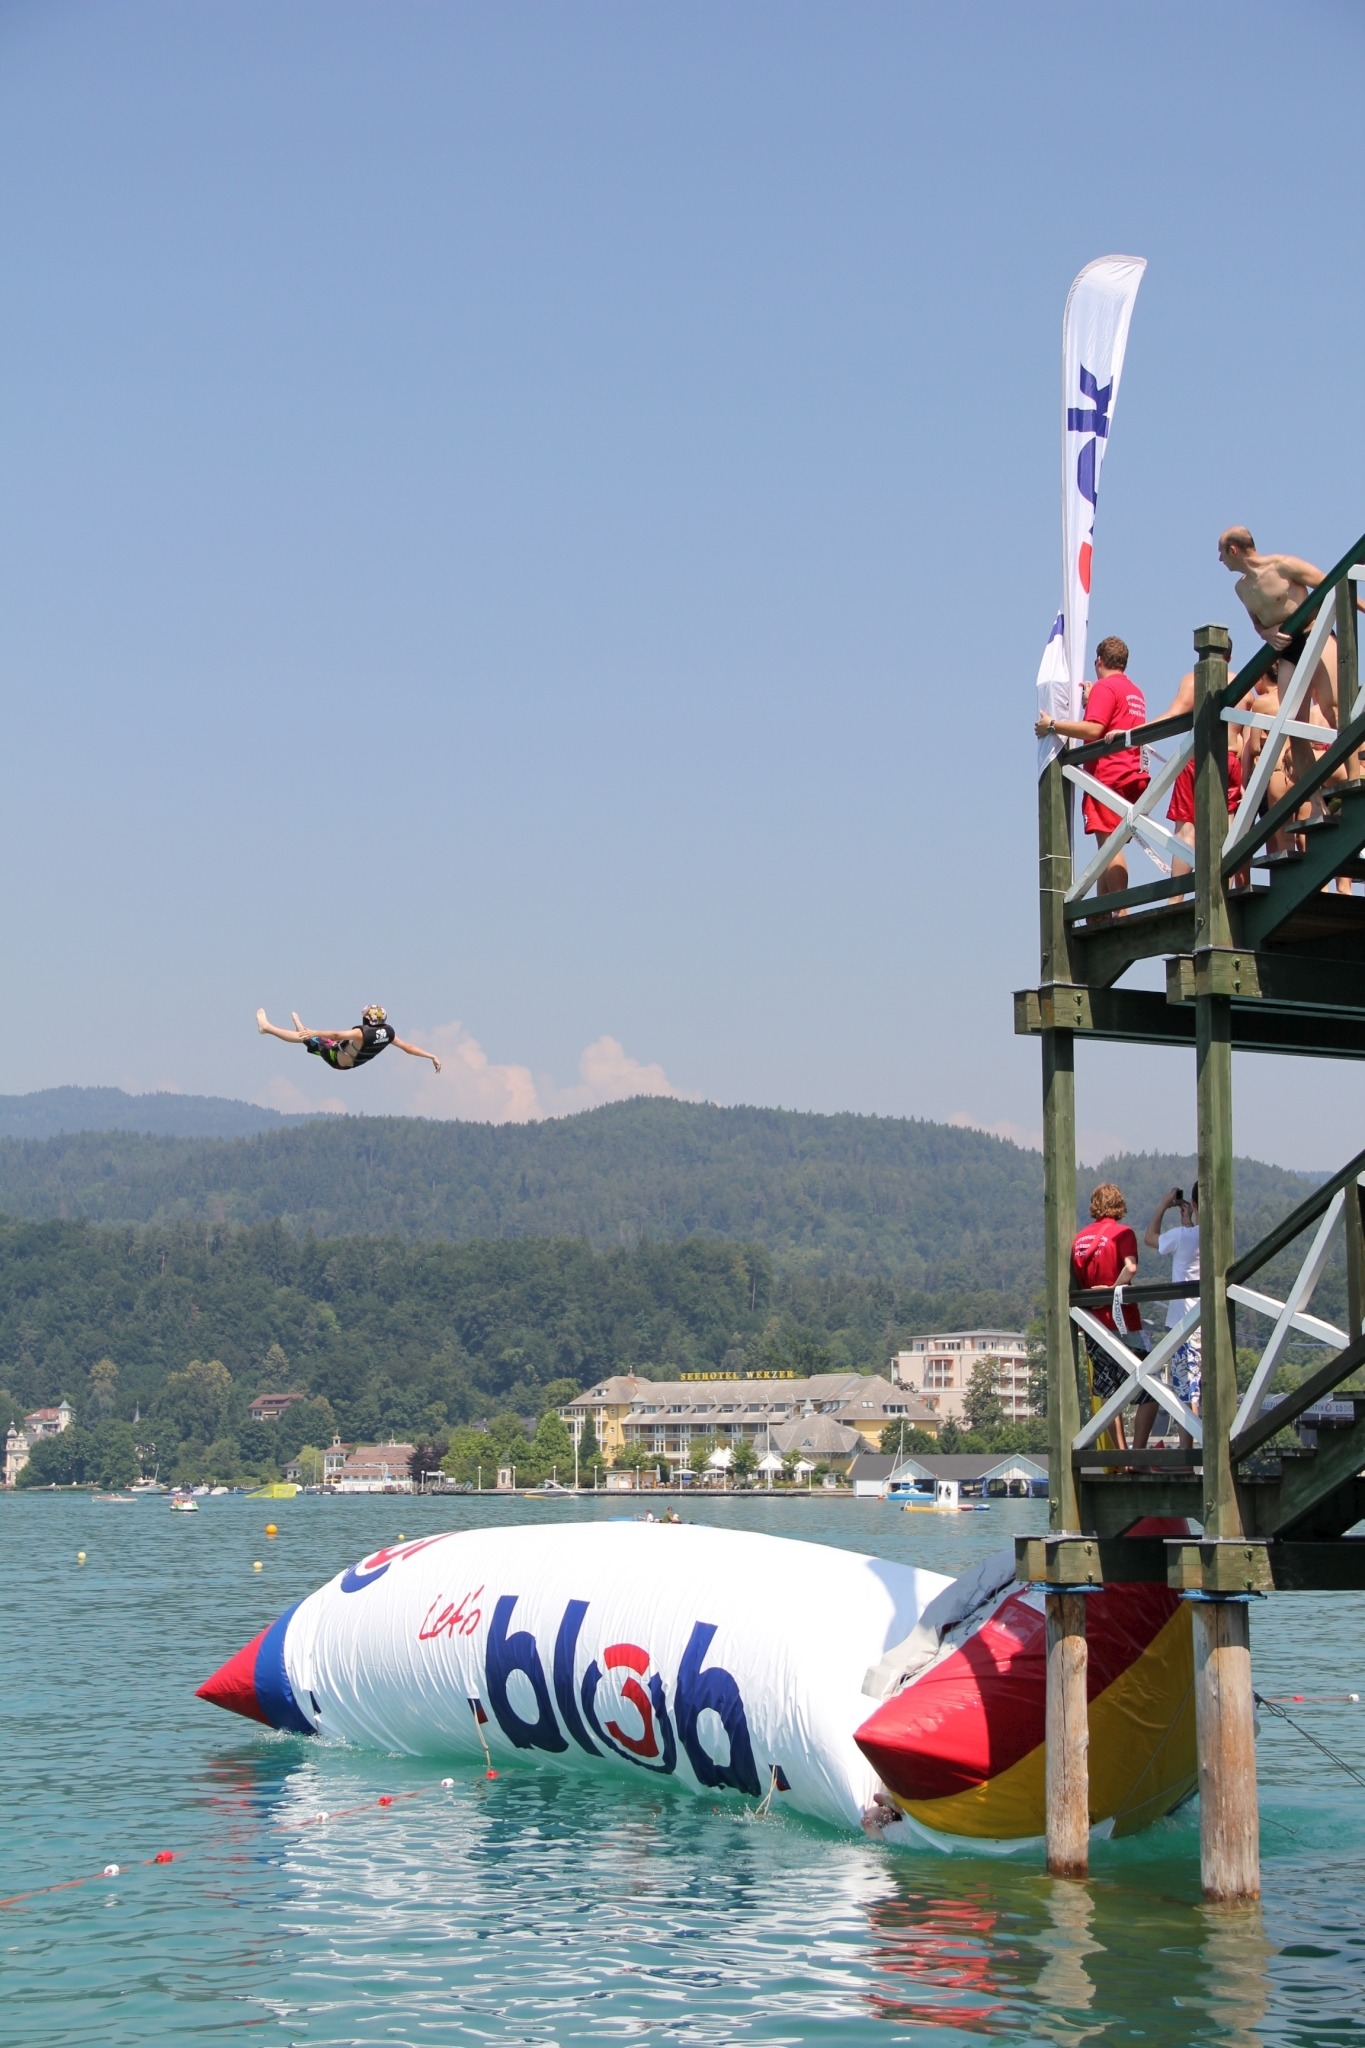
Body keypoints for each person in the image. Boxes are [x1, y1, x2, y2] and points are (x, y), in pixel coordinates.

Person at [1035, 636, 1147, 897]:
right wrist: (1090, 702)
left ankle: (1118, 908)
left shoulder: (1104, 688)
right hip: (1132, 772)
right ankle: (1102, 911)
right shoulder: (1134, 691)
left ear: (1099, 661)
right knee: (1107, 847)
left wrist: (1052, 725)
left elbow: (1095, 728)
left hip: (1108, 776)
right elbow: (1113, 722)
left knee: (1110, 846)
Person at [1070, 1182, 1159, 1453]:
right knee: (1152, 1386)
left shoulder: (1079, 1239)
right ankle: (1138, 1454)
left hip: (1093, 1324)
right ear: (1118, 1204)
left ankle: (1120, 1457)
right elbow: (1130, 1268)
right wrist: (1112, 1289)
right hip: (1123, 1320)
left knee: (1109, 1392)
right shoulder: (1124, 1233)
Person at [1153, 667, 1248, 884]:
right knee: (1227, 827)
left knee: (1186, 830)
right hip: (1232, 759)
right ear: (1230, 657)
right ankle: (1225, 889)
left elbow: (1173, 714)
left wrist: (1133, 734)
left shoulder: (1194, 679)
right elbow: (1245, 737)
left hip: (1199, 757)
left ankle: (1176, 896)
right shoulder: (1244, 686)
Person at [1144, 1184, 1201, 1451]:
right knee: (1202, 1386)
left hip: (1184, 1324)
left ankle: (1187, 1451)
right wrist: (1188, 1223)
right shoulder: (1217, 1237)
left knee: (1186, 1388)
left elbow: (1150, 1237)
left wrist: (1162, 1206)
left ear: (1193, 1201)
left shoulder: (1181, 1237)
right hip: (1210, 1322)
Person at [256, 1004, 442, 1074]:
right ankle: (302, 1028)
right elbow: (408, 1047)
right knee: (313, 1040)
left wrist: (314, 1031)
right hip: (347, 1060)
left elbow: (337, 1035)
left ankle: (267, 1028)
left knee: (305, 1038)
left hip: (337, 1059)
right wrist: (431, 1056)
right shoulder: (388, 1033)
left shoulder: (361, 1033)